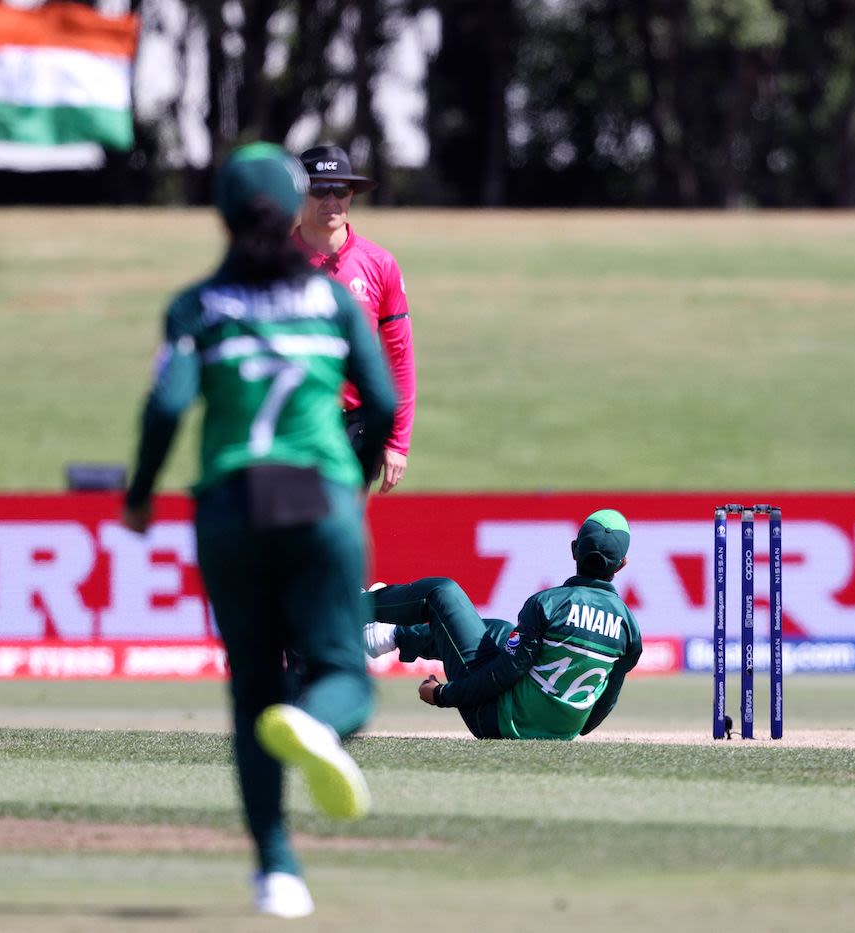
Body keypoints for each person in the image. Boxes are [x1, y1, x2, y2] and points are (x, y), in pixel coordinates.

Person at [120, 143, 397, 918]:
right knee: (345, 673)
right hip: (319, 499)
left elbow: (168, 407)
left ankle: (278, 870)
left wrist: (140, 496)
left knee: (250, 692)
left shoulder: (196, 305)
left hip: (233, 505)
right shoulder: (335, 302)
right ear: (293, 207)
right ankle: (316, 723)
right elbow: (379, 399)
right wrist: (355, 474)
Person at [362, 510, 642, 740]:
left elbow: (508, 671)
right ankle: (390, 635)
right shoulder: (629, 627)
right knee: (501, 631)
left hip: (495, 720)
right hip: (560, 732)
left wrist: (442, 694)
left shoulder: (547, 603)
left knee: (442, 593)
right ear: (622, 564)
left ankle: (353, 607)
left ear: (574, 550)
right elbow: (602, 706)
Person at [293, 143, 416, 493]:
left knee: (341, 530)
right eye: (319, 189)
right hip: (294, 421)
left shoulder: (380, 264)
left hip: (357, 427)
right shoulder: (276, 262)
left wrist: (397, 442)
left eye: (341, 190)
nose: (331, 200)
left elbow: (400, 358)